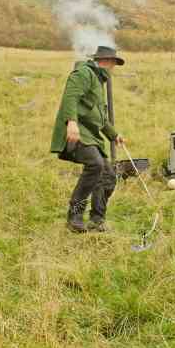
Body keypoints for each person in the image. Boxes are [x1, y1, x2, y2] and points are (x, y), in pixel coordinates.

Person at [50, 46, 126, 233]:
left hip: (92, 137)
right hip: (77, 133)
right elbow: (70, 96)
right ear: (107, 61)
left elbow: (99, 117)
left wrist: (114, 135)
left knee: (108, 178)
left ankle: (97, 220)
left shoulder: (98, 83)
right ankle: (74, 215)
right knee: (95, 165)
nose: (113, 68)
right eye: (114, 64)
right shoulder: (84, 73)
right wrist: (72, 122)